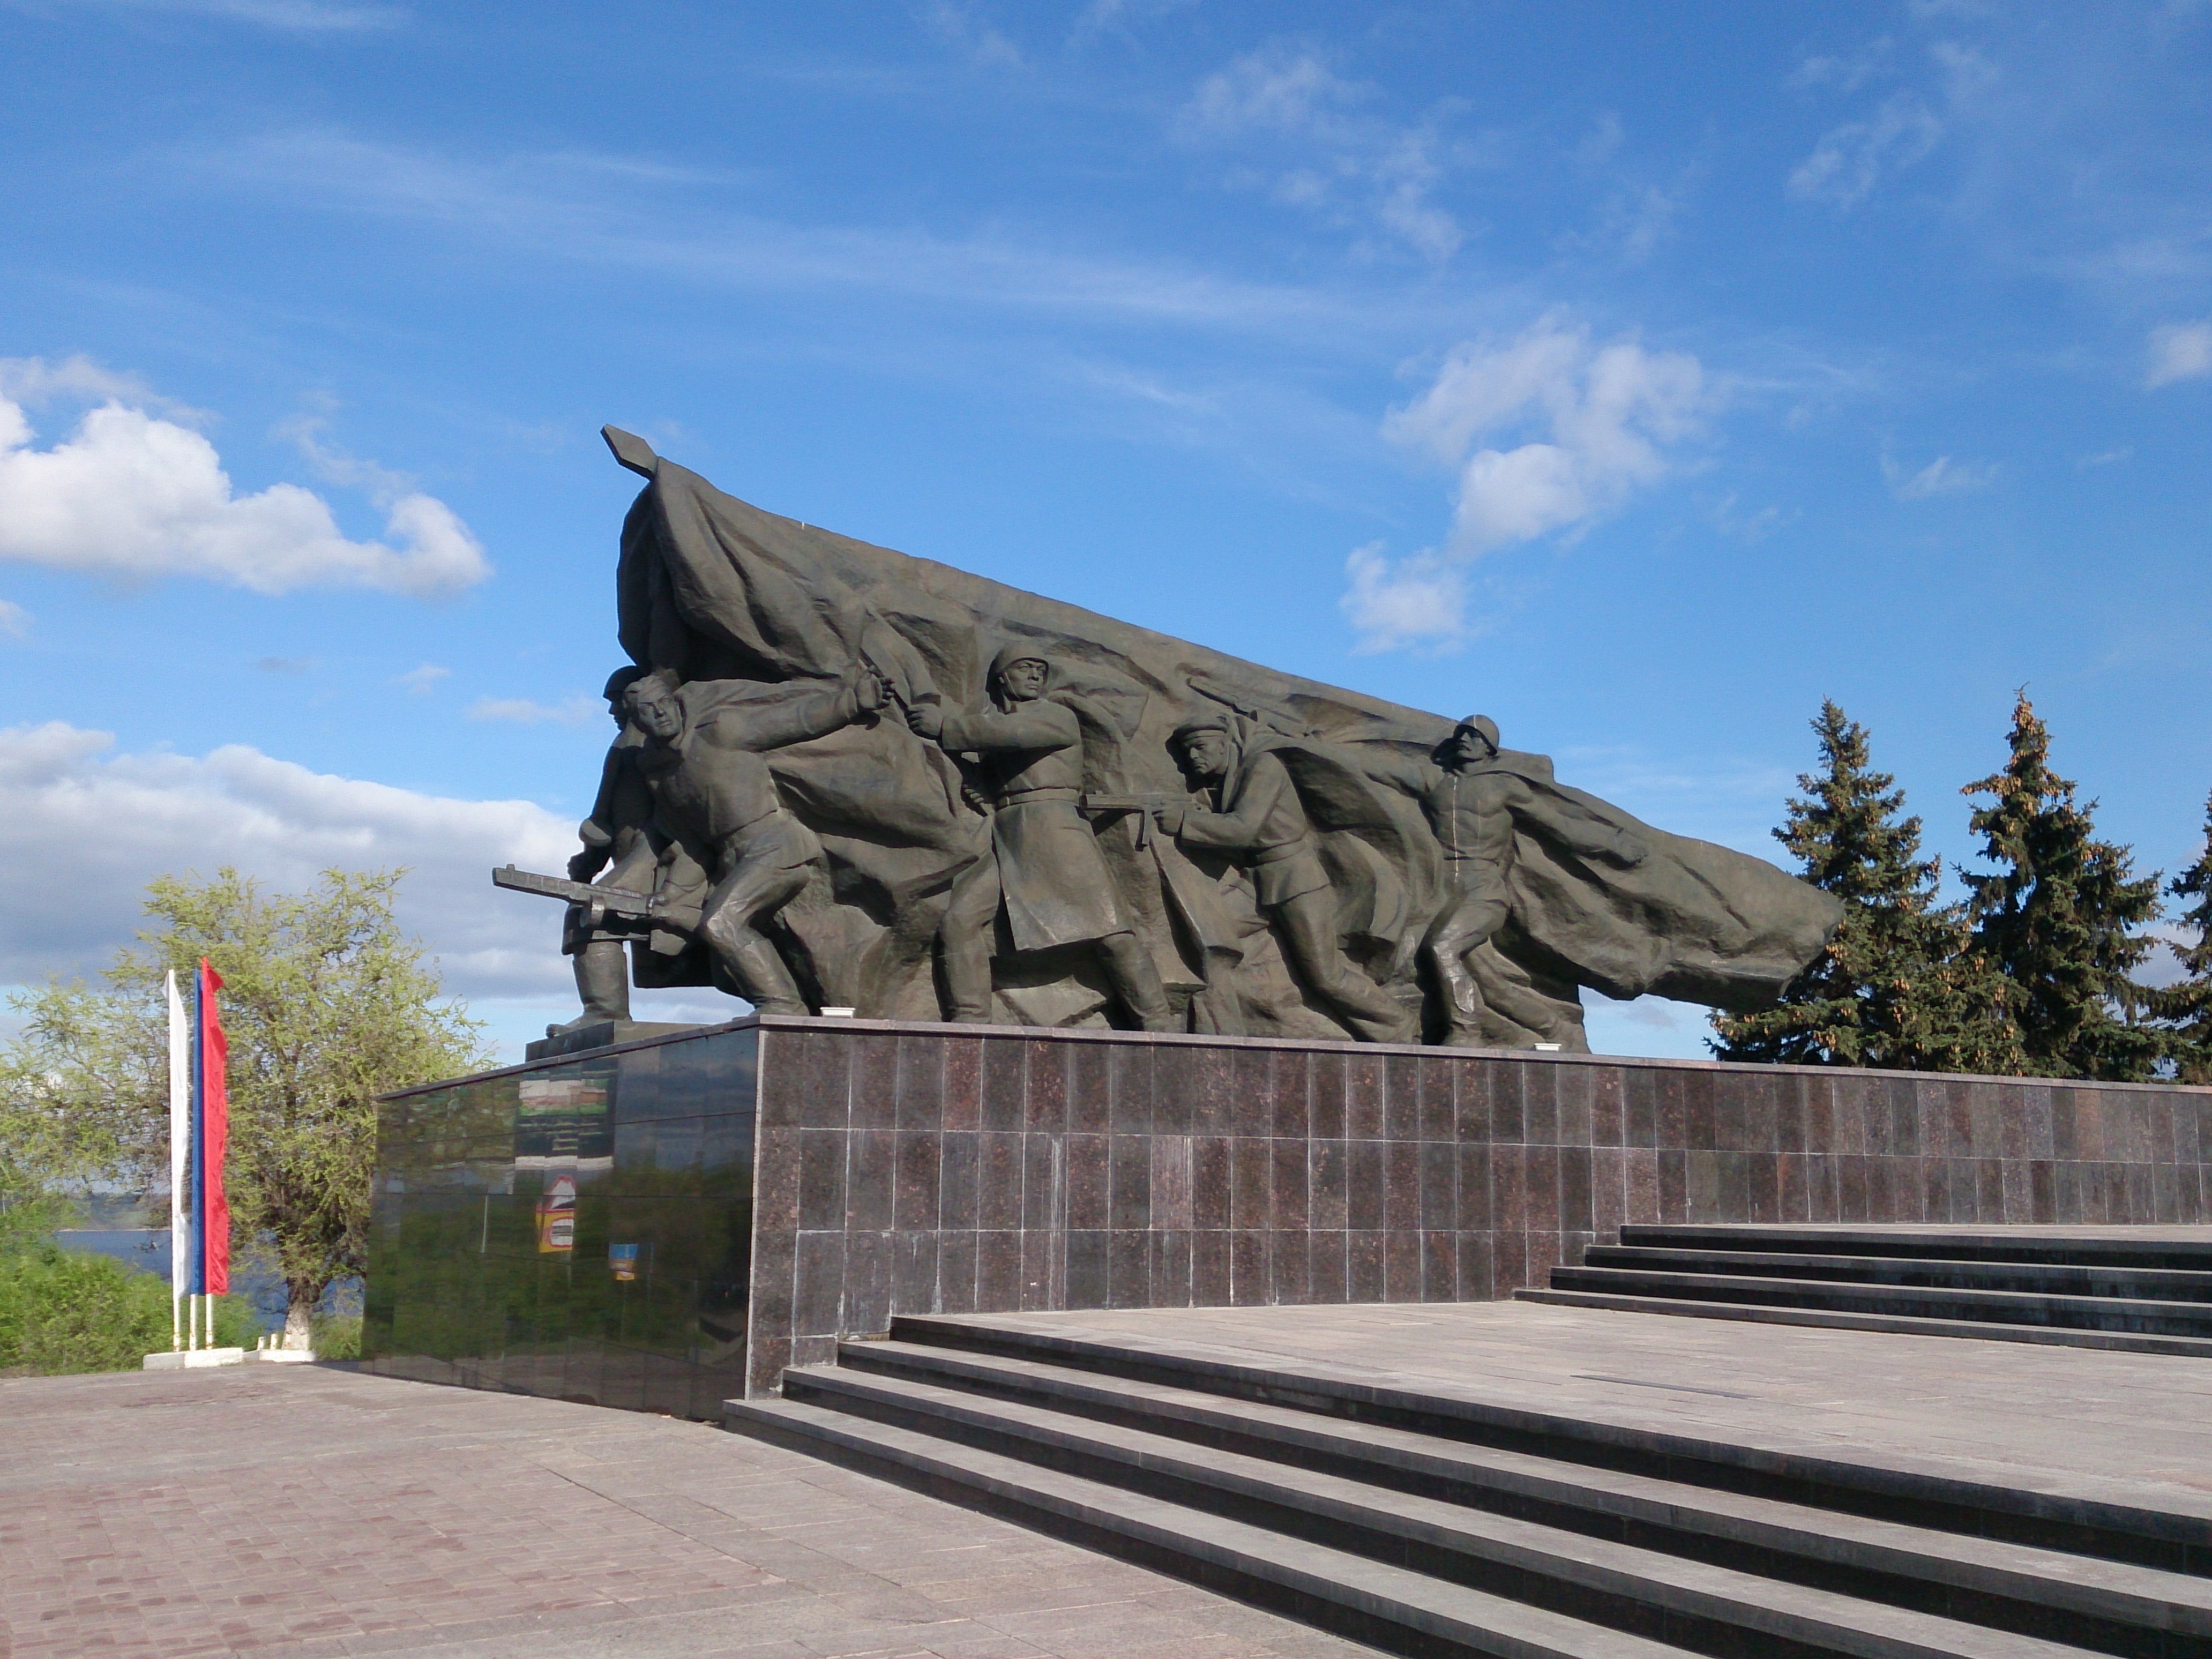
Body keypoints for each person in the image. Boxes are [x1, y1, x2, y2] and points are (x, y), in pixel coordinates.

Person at [906, 645, 1172, 1029]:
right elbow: (1000, 752)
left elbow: (1014, 734)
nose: (1035, 676)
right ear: (1002, 678)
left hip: (1055, 830)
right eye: (1025, 668)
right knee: (959, 922)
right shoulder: (993, 725)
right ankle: (970, 1020)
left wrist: (947, 727)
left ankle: (1158, 1022)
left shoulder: (1055, 716)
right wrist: (987, 790)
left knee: (1112, 933)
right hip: (1005, 835)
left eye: (1040, 670)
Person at [627, 664, 886, 1015]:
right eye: (647, 710)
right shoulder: (658, 772)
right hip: (731, 862)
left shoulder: (721, 731)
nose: (660, 713)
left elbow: (795, 720)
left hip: (774, 845)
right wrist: (672, 893)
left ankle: (783, 1006)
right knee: (721, 963)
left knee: (722, 923)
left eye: (664, 702)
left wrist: (853, 701)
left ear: (676, 703)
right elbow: (691, 843)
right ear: (637, 723)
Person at [1156, 714, 1411, 1042]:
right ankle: (1217, 1033)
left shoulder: (1263, 766)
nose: (1193, 757)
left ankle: (1399, 1028)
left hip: (1295, 881)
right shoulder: (1221, 781)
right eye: (1187, 751)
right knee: (1204, 939)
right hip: (1253, 883)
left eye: (1200, 747)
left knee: (1326, 976)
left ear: (1225, 744)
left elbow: (1244, 829)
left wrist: (1183, 823)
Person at [1413, 714, 1646, 1046]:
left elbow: (1559, 826)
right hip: (1440, 891)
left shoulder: (1504, 787)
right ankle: (1554, 1028)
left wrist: (1614, 845)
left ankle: (1465, 1031)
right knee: (1491, 985)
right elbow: (1374, 770)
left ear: (1490, 748)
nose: (1465, 740)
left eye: (1475, 736)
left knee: (1442, 948)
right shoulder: (1436, 783)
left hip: (1482, 891)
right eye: (1461, 734)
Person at [548, 667, 655, 1037]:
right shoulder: (625, 744)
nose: (612, 711)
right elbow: (605, 818)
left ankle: (605, 1011)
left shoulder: (654, 745)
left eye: (618, 700)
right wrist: (589, 862)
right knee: (587, 906)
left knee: (593, 911)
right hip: (638, 855)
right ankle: (603, 1011)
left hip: (659, 854)